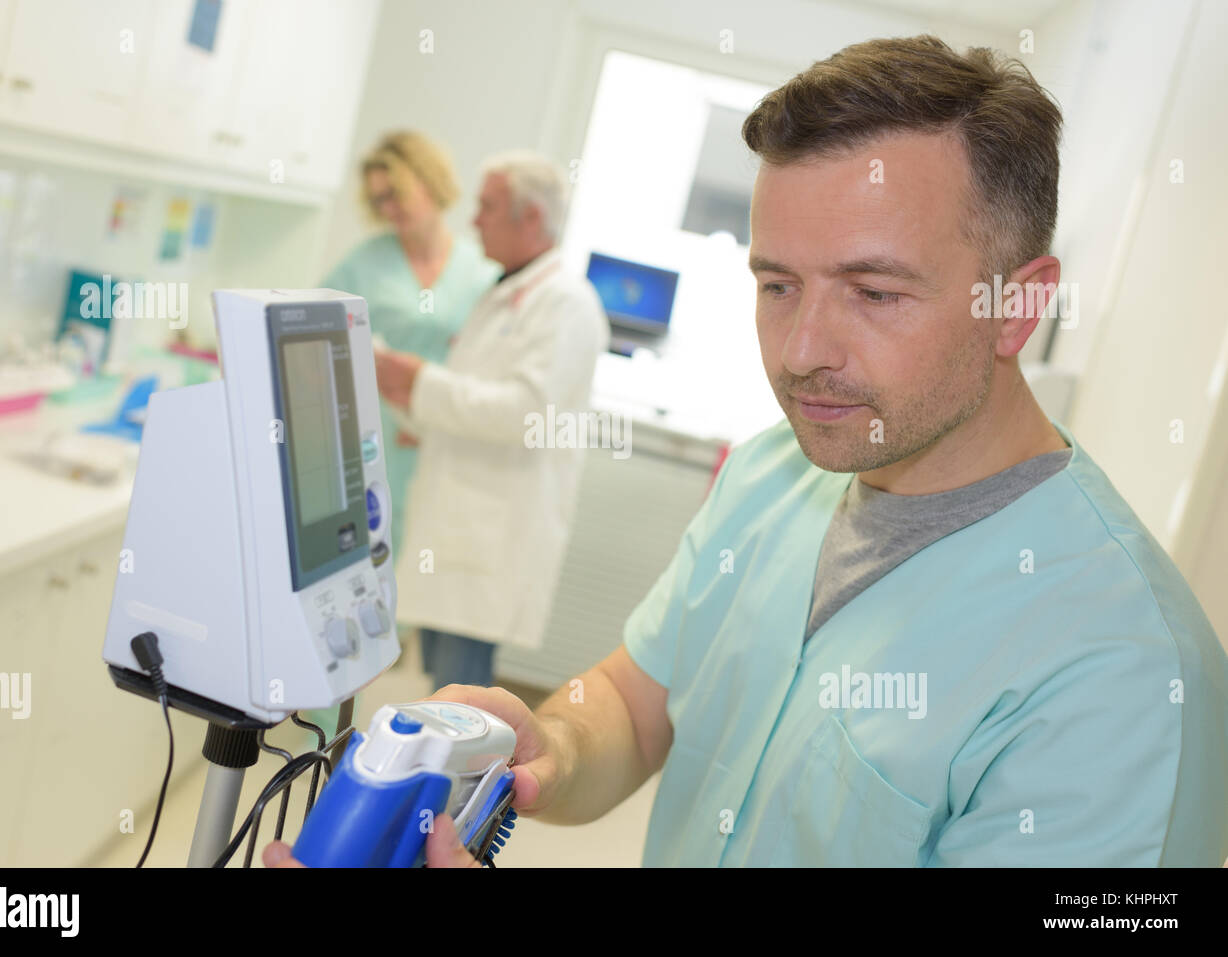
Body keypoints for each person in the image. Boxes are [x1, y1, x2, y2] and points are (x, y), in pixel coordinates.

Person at [267, 36, 1228, 868]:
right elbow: (635, 704)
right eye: (778, 285)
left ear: (1016, 304)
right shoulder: (779, 470)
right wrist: (548, 743)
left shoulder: (1127, 679)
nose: (803, 349)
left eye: (875, 292)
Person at [368, 151, 608, 691]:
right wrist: (408, 395)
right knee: (440, 689)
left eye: (487, 207)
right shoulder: (505, 292)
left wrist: (422, 382)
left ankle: (456, 780)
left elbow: (527, 414)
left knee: (459, 698)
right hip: (459, 531)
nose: (473, 220)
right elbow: (470, 404)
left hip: (491, 541)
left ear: (530, 218)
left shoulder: (565, 303)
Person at [320, 130, 500, 561]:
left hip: (445, 436)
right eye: (378, 200)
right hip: (372, 435)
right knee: (366, 562)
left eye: (396, 194)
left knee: (429, 562)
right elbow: (317, 336)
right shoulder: (367, 262)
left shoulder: (482, 269)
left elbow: (492, 363)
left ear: (430, 182)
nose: (389, 209)